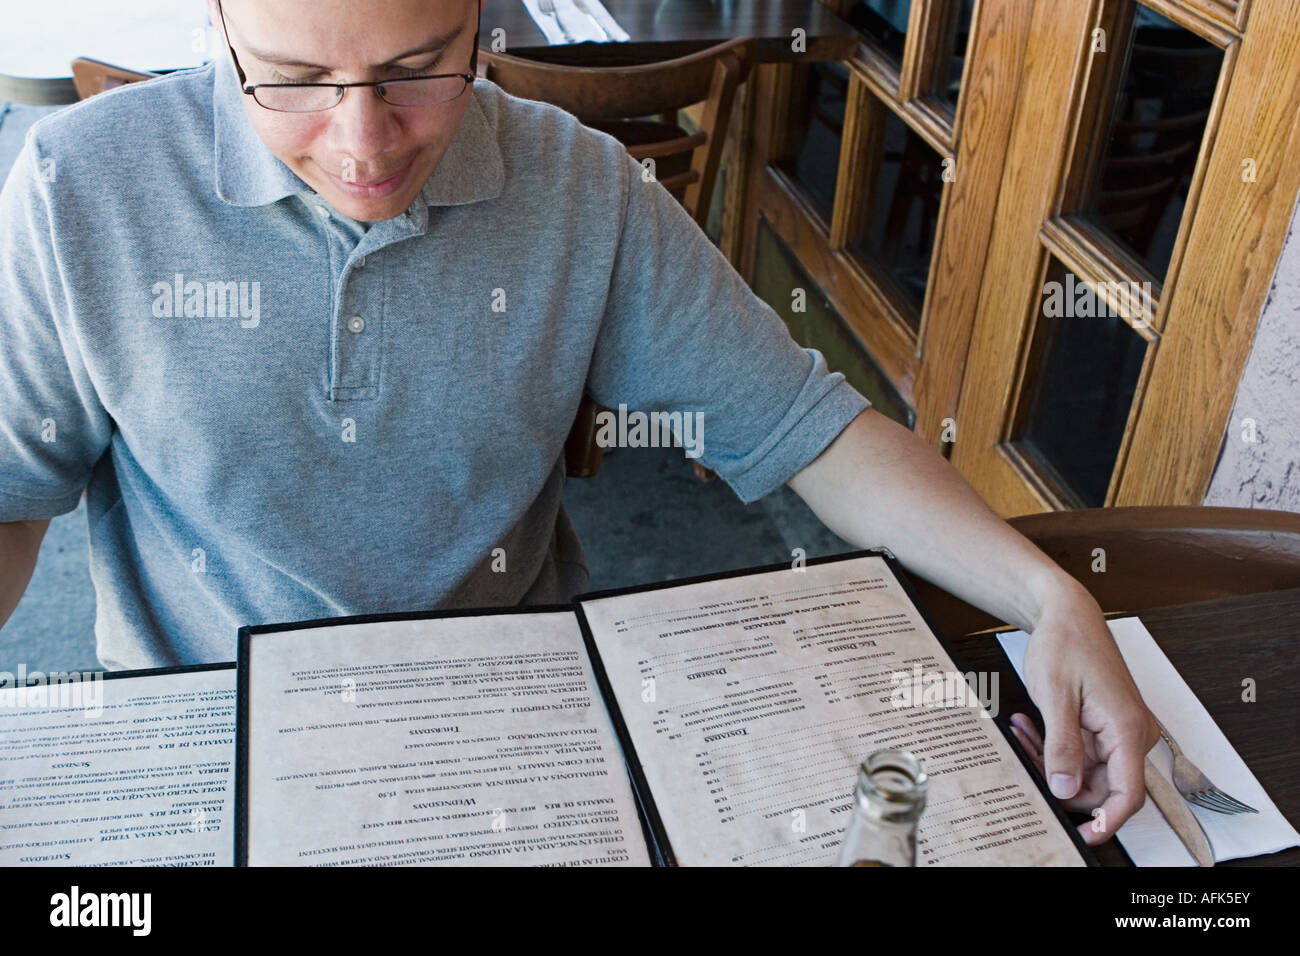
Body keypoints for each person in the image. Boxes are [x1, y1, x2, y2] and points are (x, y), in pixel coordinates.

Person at [0, 0, 1158, 846]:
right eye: (292, 80)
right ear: (217, 26)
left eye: (419, 69)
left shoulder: (582, 188)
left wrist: (1050, 594)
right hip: (209, 735)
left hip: (518, 720)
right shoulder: (72, 188)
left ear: (480, 23)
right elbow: (11, 498)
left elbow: (809, 427)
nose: (363, 144)